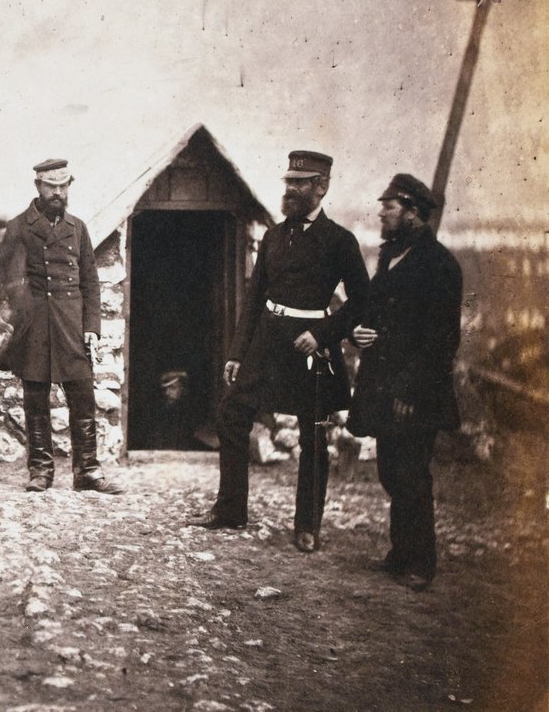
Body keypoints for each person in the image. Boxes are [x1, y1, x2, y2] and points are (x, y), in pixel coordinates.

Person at [189, 150, 368, 552]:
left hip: (311, 347)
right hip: (267, 343)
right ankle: (231, 510)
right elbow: (254, 300)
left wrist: (323, 334)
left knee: (314, 434)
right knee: (231, 413)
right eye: (287, 182)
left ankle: (308, 525)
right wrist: (237, 352)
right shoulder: (273, 237)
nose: (289, 189)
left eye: (299, 183)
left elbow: (361, 302)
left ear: (321, 187)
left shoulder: (340, 241)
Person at [349, 174, 462, 592]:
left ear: (412, 211)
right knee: (391, 472)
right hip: (383, 384)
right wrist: (358, 332)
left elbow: (441, 338)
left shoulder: (439, 265)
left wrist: (410, 391)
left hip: (415, 392)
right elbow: (373, 314)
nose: (381, 213)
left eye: (389, 207)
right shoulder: (391, 256)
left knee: (412, 473)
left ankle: (421, 563)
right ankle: (401, 553)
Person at [0, 158, 124, 494]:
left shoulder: (77, 228)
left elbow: (91, 283)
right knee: (35, 399)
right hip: (34, 324)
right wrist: (13, 308)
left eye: (64, 186)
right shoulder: (19, 227)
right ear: (38, 186)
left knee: (83, 396)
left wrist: (91, 326)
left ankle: (88, 471)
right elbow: (0, 274)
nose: (58, 193)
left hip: (71, 324)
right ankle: (40, 471)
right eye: (51, 186)